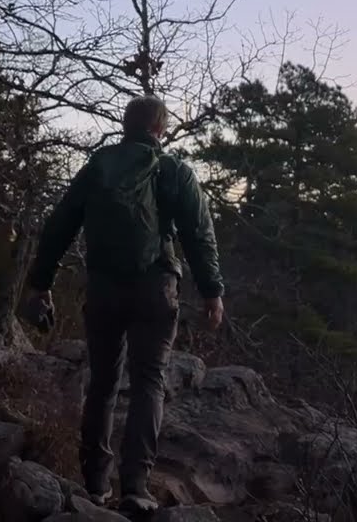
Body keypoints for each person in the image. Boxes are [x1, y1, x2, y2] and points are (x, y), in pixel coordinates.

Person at [23, 96, 225, 515]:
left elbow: (60, 223)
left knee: (103, 383)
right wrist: (212, 291)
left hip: (103, 288)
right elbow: (198, 234)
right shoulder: (173, 171)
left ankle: (95, 484)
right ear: (160, 129)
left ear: (126, 124)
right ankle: (135, 486)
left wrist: (41, 283)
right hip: (155, 287)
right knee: (150, 381)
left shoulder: (98, 165)